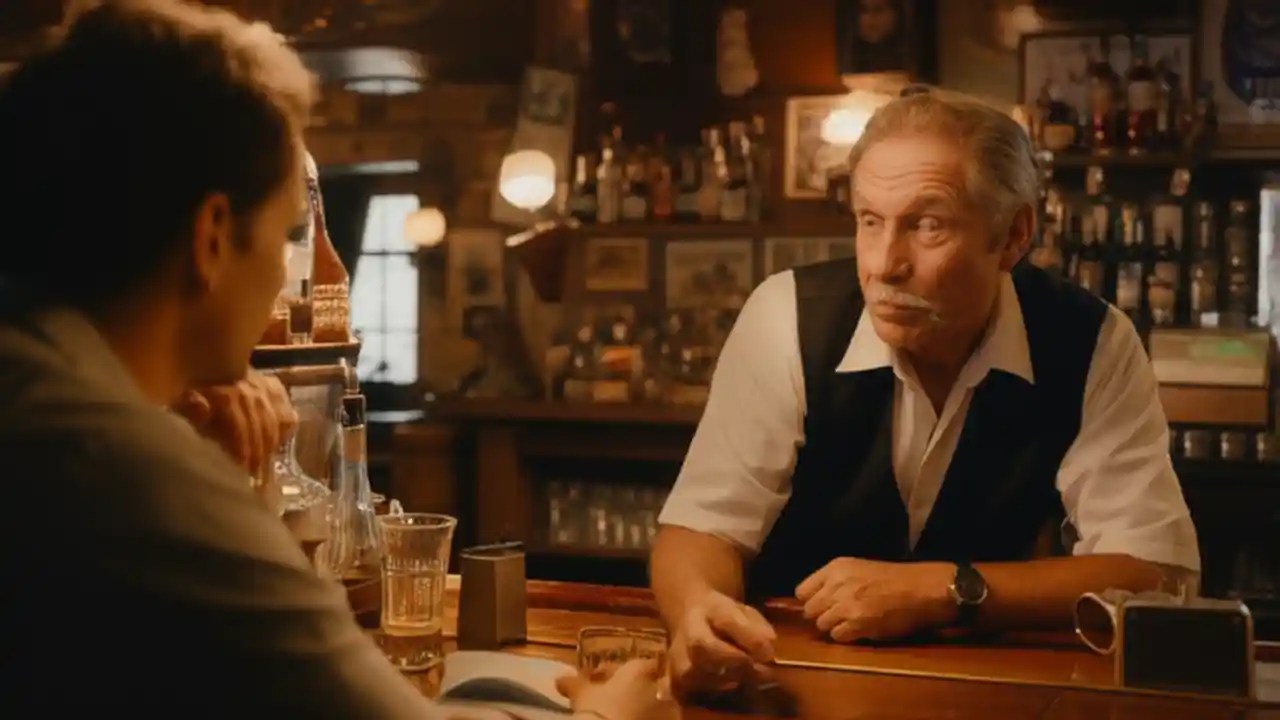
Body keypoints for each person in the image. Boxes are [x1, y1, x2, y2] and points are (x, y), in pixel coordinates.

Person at [0, 2, 670, 717]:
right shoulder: (118, 464)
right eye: (287, 232)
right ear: (212, 239)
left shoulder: (46, 391)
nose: (293, 271)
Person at [650, 90, 1200, 696]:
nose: (885, 264)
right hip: (789, 679)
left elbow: (1158, 575)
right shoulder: (787, 318)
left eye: (927, 225)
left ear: (1013, 235)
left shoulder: (1089, 339)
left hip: (991, 692)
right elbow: (702, 529)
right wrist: (695, 613)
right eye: (869, 222)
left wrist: (944, 591)